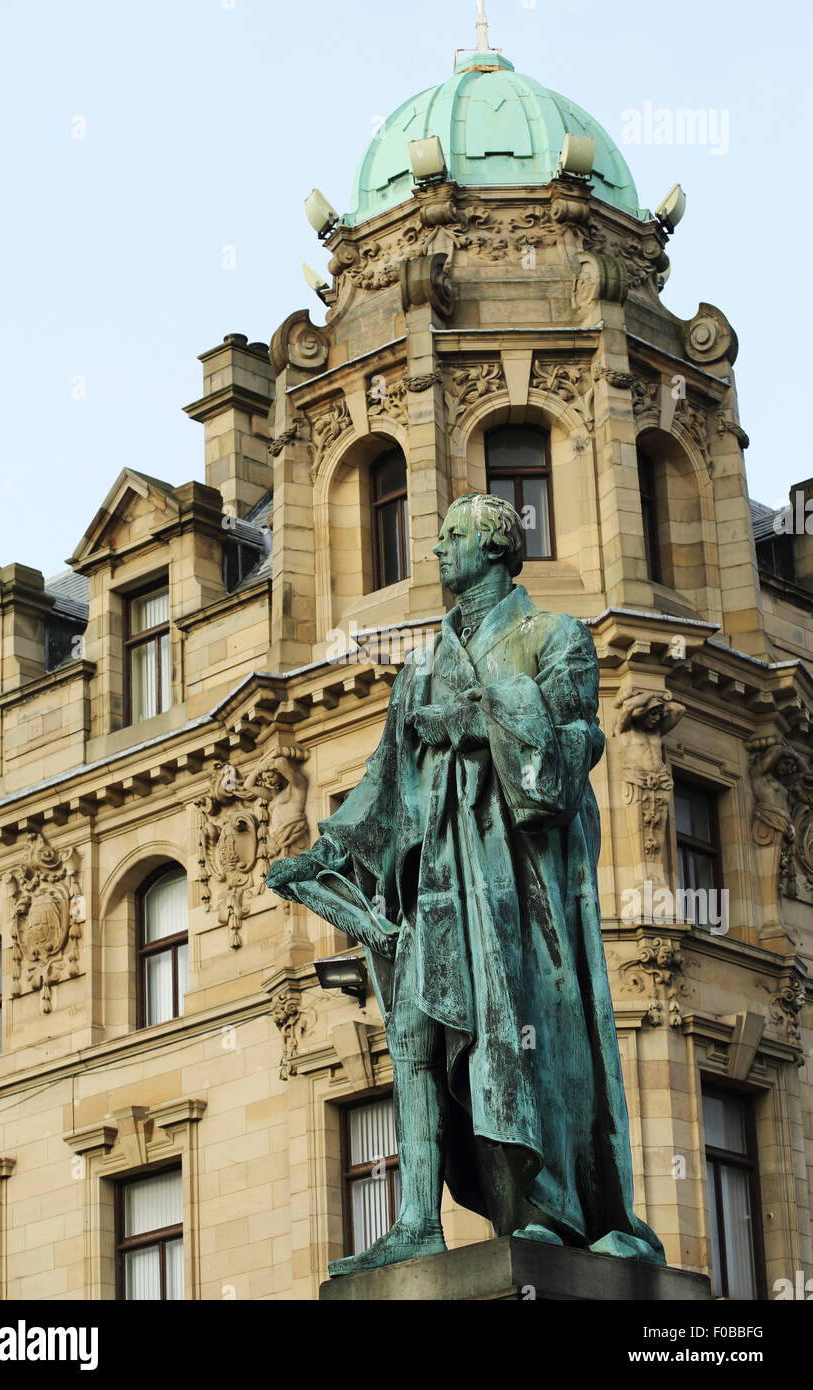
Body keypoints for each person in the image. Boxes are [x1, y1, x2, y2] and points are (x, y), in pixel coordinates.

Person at [267, 492, 666, 1274]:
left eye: (452, 537)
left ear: (494, 546)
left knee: (528, 1039)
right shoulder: (417, 671)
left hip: (521, 889)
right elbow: (383, 785)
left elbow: (567, 754)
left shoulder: (556, 638)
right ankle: (418, 1219)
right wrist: (323, 856)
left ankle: (545, 1206)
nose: (438, 551)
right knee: (414, 1036)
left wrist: (475, 718)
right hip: (437, 888)